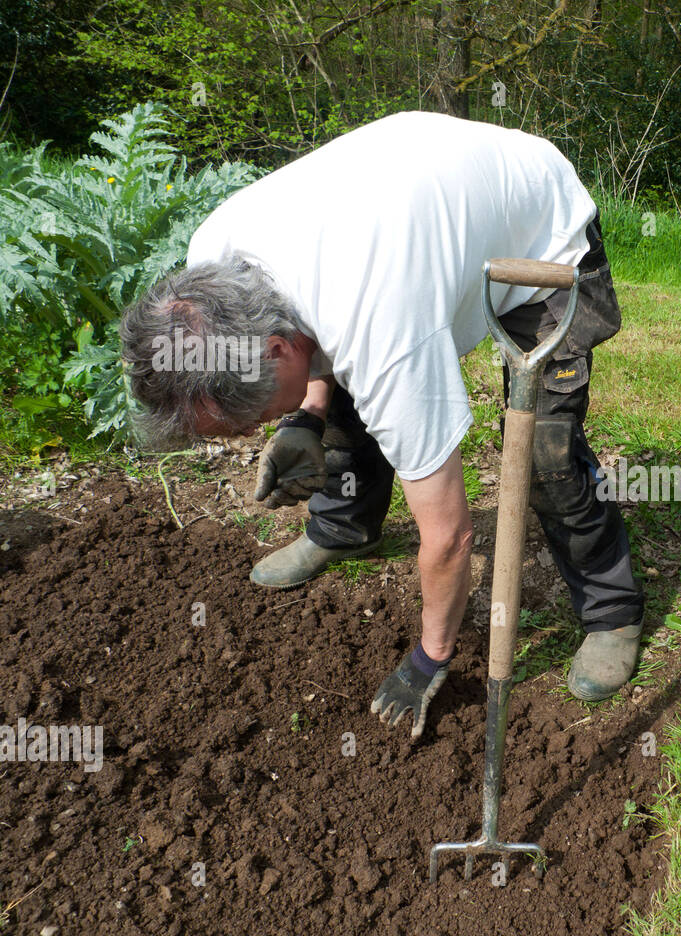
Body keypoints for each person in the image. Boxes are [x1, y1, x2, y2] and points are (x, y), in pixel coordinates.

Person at [119, 111, 645, 738]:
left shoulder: (382, 330)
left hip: (540, 231)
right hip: (405, 211)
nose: (259, 428)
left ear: (276, 349)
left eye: (253, 417)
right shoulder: (214, 255)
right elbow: (314, 333)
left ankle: (611, 611)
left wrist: (430, 658)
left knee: (544, 454)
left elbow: (449, 538)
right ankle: (345, 527)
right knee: (343, 390)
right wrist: (306, 419)